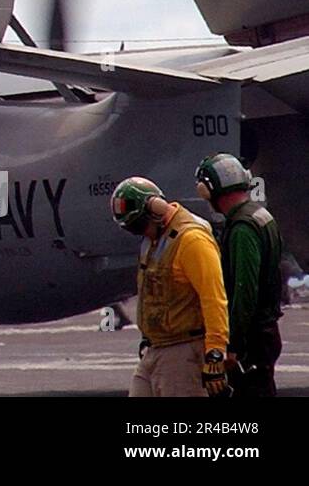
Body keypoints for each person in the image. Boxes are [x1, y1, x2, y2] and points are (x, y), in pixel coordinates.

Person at [111, 177, 229, 398]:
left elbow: (213, 298)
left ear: (156, 209)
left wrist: (215, 351)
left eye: (139, 225)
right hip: (154, 349)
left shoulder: (191, 241)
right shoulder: (153, 241)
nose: (139, 232)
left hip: (183, 351)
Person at [195, 153, 284, 397]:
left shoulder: (242, 228)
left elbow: (245, 289)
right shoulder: (261, 215)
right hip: (266, 330)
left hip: (252, 338)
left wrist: (233, 344)